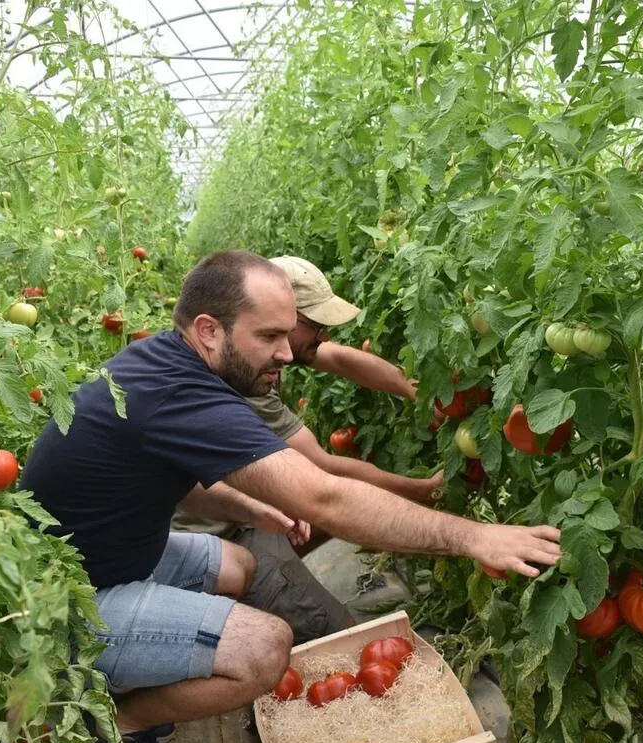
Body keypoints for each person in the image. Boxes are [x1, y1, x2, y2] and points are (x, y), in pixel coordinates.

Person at [19, 250, 562, 743]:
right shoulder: (182, 393)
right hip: (64, 600)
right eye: (270, 336)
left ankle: (142, 662)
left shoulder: (168, 363)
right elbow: (324, 494)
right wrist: (474, 537)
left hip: (94, 559)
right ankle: (122, 720)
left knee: (239, 565)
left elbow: (165, 478)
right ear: (209, 330)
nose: (285, 353)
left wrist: (247, 507)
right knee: (267, 646)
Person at [171, 254, 443, 644]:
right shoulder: (241, 380)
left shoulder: (261, 347)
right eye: (316, 326)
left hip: (242, 512)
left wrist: (412, 390)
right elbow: (323, 469)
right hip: (224, 537)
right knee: (349, 642)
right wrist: (421, 491)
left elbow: (340, 359)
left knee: (333, 514)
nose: (325, 339)